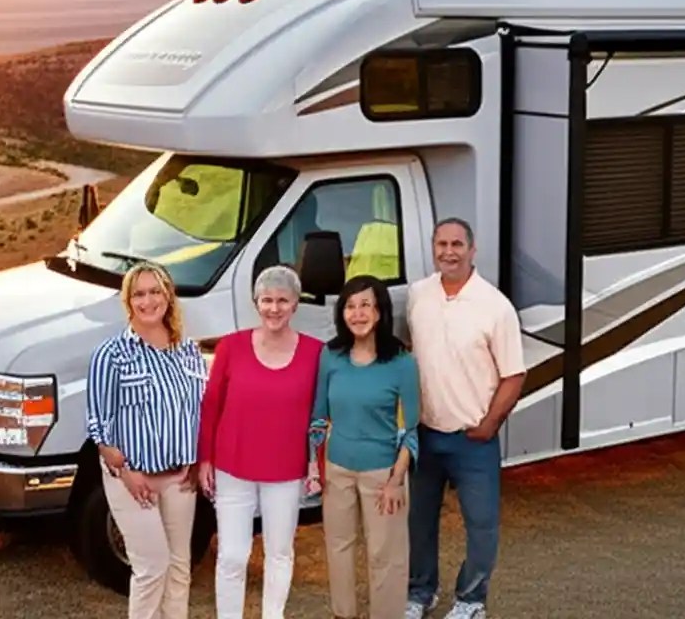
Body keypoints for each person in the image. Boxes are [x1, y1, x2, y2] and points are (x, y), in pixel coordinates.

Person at [404, 218, 527, 619]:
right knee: (419, 523)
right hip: (424, 434)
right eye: (442, 244)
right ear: (433, 247)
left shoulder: (495, 306)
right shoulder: (418, 295)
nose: (449, 252)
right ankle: (420, 593)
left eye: (457, 244)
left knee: (481, 524)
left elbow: (514, 374)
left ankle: (471, 599)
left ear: (473, 250)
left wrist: (490, 423)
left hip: (473, 437)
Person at [196, 265, 324, 619]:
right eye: (266, 300)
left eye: (283, 300)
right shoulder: (232, 347)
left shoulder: (315, 353)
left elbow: (320, 415)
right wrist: (204, 458)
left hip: (285, 469)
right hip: (232, 466)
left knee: (279, 551)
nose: (274, 308)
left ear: (296, 304)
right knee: (233, 555)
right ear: (256, 303)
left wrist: (317, 463)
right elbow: (212, 404)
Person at [85, 261, 207, 619]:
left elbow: (197, 410)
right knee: (152, 567)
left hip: (179, 478)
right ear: (128, 301)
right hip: (133, 479)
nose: (148, 300)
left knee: (179, 567)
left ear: (168, 296)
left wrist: (196, 460)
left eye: (155, 291)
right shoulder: (113, 355)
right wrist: (125, 472)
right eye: (139, 294)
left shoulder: (186, 350)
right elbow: (98, 423)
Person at [313, 274, 421, 619]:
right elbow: (318, 419)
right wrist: (315, 471)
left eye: (366, 305)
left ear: (380, 313)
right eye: (350, 306)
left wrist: (395, 481)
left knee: (385, 555)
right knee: (338, 549)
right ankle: (343, 614)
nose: (357, 313)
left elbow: (411, 429)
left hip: (383, 474)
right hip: (337, 470)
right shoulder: (331, 357)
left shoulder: (401, 363)